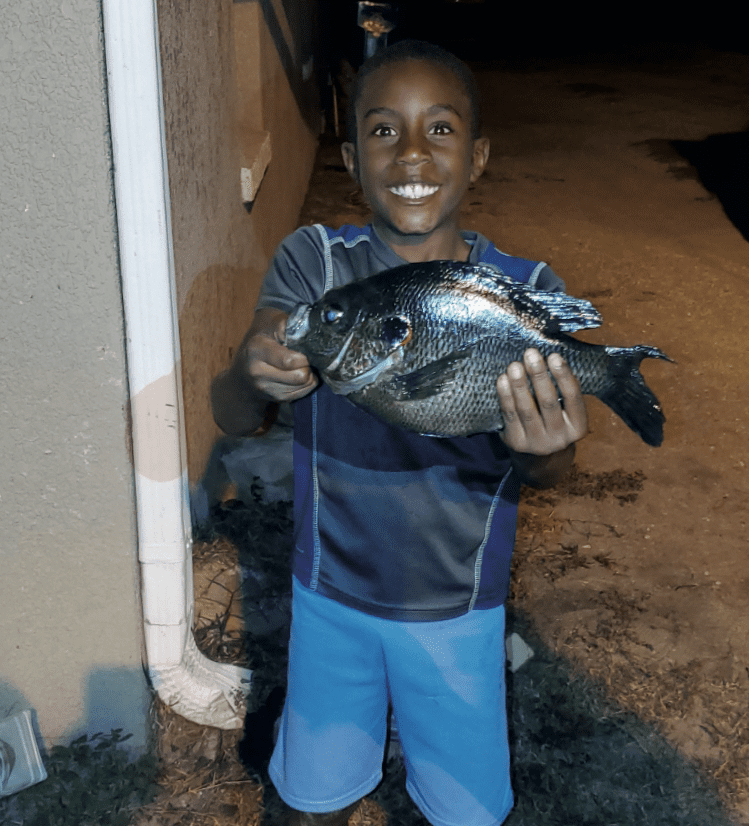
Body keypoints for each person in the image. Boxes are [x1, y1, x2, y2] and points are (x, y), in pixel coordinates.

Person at [211, 39, 588, 826]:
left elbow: (550, 473)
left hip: (459, 607)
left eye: (439, 129)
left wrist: (548, 450)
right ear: (351, 157)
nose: (411, 152)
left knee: (464, 811)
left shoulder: (524, 292)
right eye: (383, 130)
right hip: (328, 595)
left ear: (476, 156)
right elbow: (235, 413)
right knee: (313, 797)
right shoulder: (316, 267)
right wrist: (252, 372)